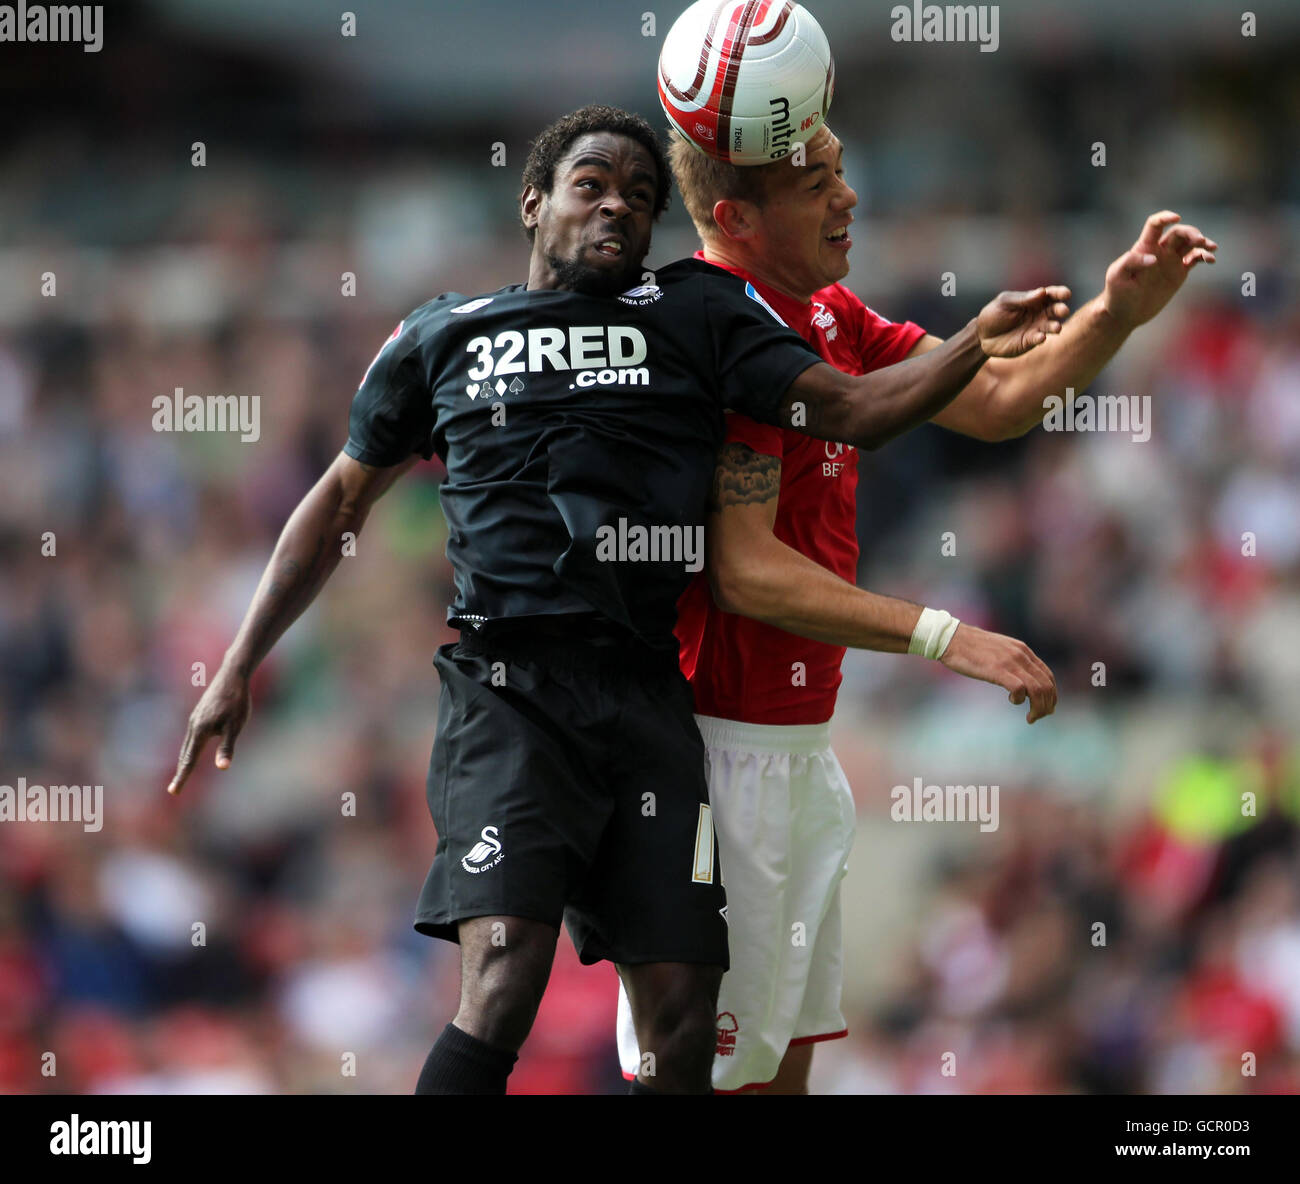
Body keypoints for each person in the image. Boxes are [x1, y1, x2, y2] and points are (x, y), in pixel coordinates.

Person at [166, 105, 1068, 1095]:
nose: (618, 208)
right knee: (506, 970)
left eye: (640, 197)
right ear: (533, 202)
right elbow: (339, 498)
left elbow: (855, 408)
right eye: (592, 185)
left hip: (646, 696)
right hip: (508, 695)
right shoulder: (443, 335)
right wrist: (238, 662)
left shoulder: (694, 318)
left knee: (686, 1011)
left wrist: (974, 341)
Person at [616, 121, 1216, 1093]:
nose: (847, 197)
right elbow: (746, 571)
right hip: (719, 765)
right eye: (816, 184)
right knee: (700, 1080)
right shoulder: (721, 334)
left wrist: (1115, 311)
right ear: (735, 215)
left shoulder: (827, 314)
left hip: (796, 753)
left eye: (840, 173)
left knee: (778, 1078)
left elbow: (1000, 398)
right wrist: (945, 633)